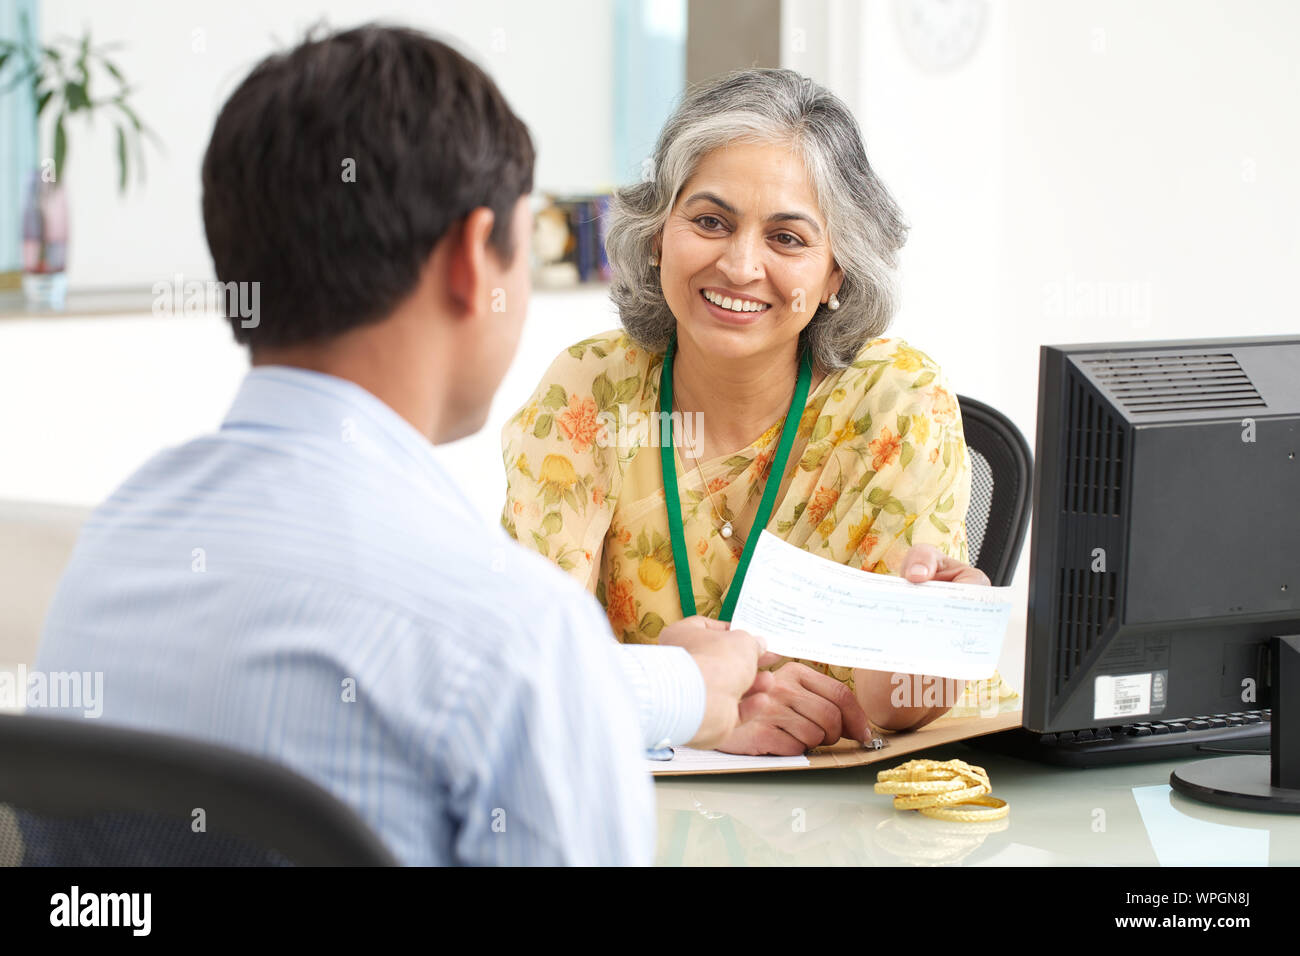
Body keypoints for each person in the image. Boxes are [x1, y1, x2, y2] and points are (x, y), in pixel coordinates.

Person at [33, 26, 772, 866]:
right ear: (470, 259)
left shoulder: (116, 548)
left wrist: (675, 688)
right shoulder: (514, 633)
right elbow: (482, 677)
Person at [502, 69, 1018, 756]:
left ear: (837, 271)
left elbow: (893, 712)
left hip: (849, 820)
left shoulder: (895, 401)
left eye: (788, 239)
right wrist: (686, 698)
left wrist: (931, 650)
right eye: (710, 222)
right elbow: (525, 663)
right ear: (658, 235)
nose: (741, 266)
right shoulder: (590, 392)